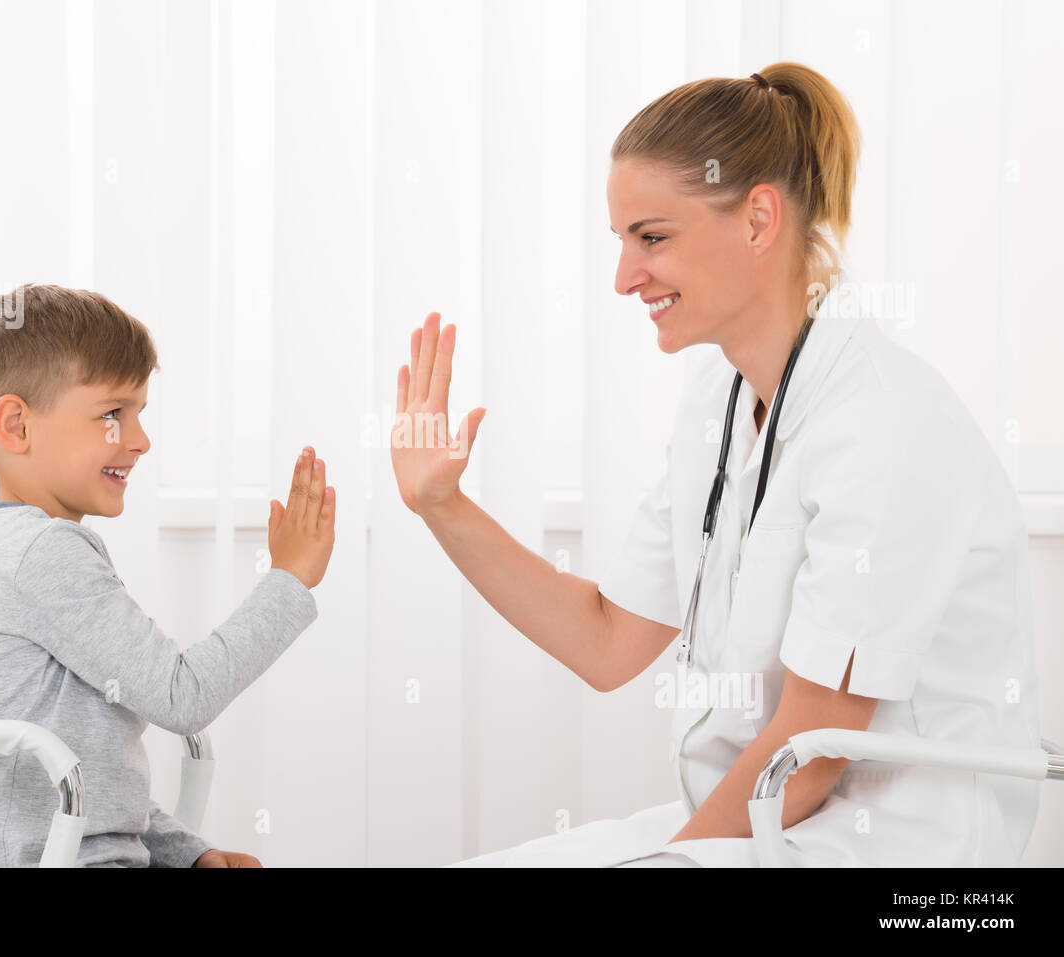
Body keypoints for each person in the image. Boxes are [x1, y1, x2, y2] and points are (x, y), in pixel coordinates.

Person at [390, 62, 1040, 866]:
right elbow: (607, 641)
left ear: (760, 218)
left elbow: (814, 753)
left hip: (899, 851)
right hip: (763, 823)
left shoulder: (884, 421)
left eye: (652, 237)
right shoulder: (719, 400)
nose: (626, 277)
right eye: (623, 241)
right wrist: (443, 506)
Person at [0, 283, 336, 866]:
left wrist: (190, 854)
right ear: (17, 425)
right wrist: (290, 579)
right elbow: (181, 696)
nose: (140, 440)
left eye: (138, 414)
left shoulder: (23, 549)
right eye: (111, 414)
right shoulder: (45, 553)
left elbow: (99, 789)